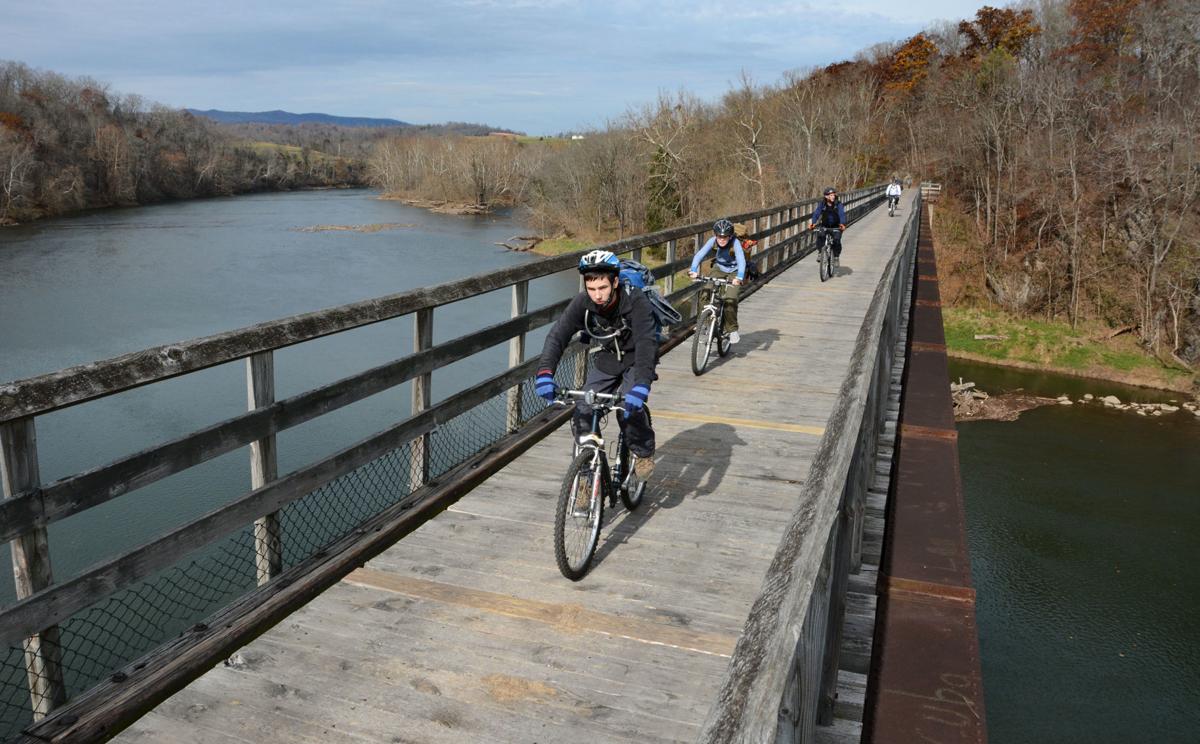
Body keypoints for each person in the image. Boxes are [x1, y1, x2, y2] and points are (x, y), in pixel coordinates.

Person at [536, 249, 658, 478]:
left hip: (636, 358)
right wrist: (544, 373)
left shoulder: (635, 300)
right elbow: (557, 336)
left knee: (628, 411)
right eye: (591, 289)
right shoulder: (583, 302)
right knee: (583, 408)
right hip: (609, 357)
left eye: (602, 288)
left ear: (614, 282)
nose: (597, 295)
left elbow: (646, 343)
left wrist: (642, 383)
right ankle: (585, 474)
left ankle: (643, 452)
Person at [688, 218, 746, 344]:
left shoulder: (735, 243)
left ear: (730, 237)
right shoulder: (713, 241)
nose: (721, 239)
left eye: (725, 237)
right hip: (719, 268)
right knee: (705, 292)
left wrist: (739, 277)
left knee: (730, 299)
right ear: (715, 235)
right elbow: (699, 255)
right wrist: (693, 270)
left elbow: (741, 260)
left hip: (735, 271)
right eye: (719, 236)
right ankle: (703, 323)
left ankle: (732, 330)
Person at [809, 187, 847, 262]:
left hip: (836, 226)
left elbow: (841, 214)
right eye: (831, 195)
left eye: (834, 195)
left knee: (837, 240)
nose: (833, 197)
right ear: (826, 196)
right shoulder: (822, 204)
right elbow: (817, 213)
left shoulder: (838, 204)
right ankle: (820, 252)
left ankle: (836, 257)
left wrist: (842, 223)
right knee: (820, 236)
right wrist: (813, 223)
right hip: (825, 225)